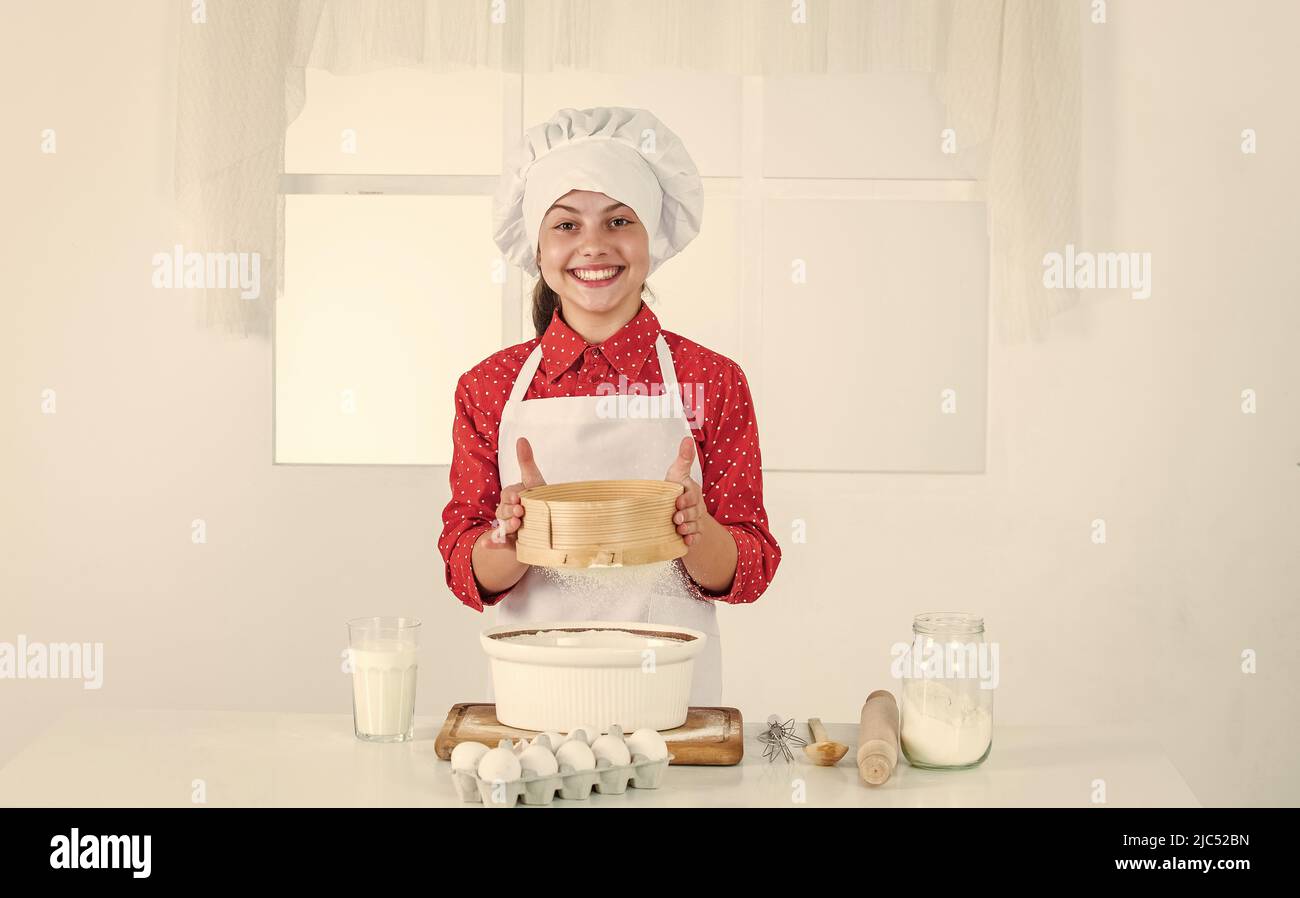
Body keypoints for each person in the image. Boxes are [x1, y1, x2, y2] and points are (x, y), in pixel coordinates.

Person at [438, 107, 781, 706]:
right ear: (537, 248)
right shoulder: (487, 386)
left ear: (651, 237)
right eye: (566, 226)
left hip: (669, 693)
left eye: (618, 220)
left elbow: (748, 569)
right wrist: (509, 534)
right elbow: (466, 571)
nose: (593, 245)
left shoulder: (711, 380)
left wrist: (693, 529)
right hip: (532, 687)